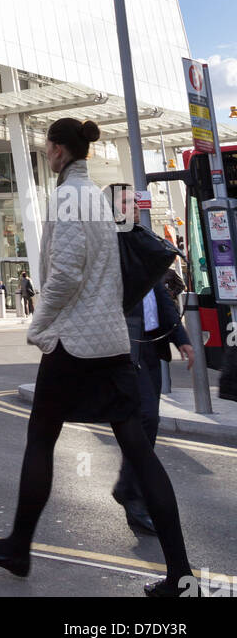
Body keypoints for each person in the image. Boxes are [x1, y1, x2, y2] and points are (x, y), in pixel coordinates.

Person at [0, 118, 196, 598]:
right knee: (139, 452)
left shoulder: (69, 196)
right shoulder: (95, 197)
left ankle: (19, 549)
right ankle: (181, 574)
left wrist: (39, 323)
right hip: (110, 342)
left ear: (56, 150)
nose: (46, 154)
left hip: (75, 343)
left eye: (47, 147)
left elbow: (67, 272)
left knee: (40, 441)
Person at [104, 184, 194, 536]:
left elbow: (159, 293)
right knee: (143, 419)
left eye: (134, 200)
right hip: (128, 349)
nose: (135, 206)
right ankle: (133, 495)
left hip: (151, 351)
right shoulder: (110, 244)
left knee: (147, 422)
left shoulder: (141, 240)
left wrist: (181, 338)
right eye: (126, 202)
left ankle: (128, 487)